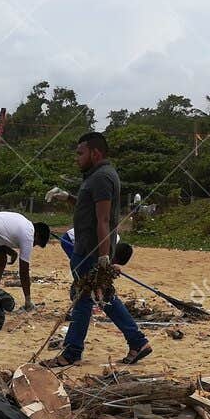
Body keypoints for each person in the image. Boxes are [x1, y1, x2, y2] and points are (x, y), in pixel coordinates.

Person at [54, 132, 151, 367]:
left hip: (90, 252)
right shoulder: (96, 176)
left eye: (80, 153)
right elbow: (88, 207)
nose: (76, 158)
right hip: (86, 250)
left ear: (95, 153)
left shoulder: (102, 178)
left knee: (83, 300)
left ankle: (72, 352)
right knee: (103, 297)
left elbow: (103, 219)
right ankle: (137, 342)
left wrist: (104, 256)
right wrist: (68, 197)